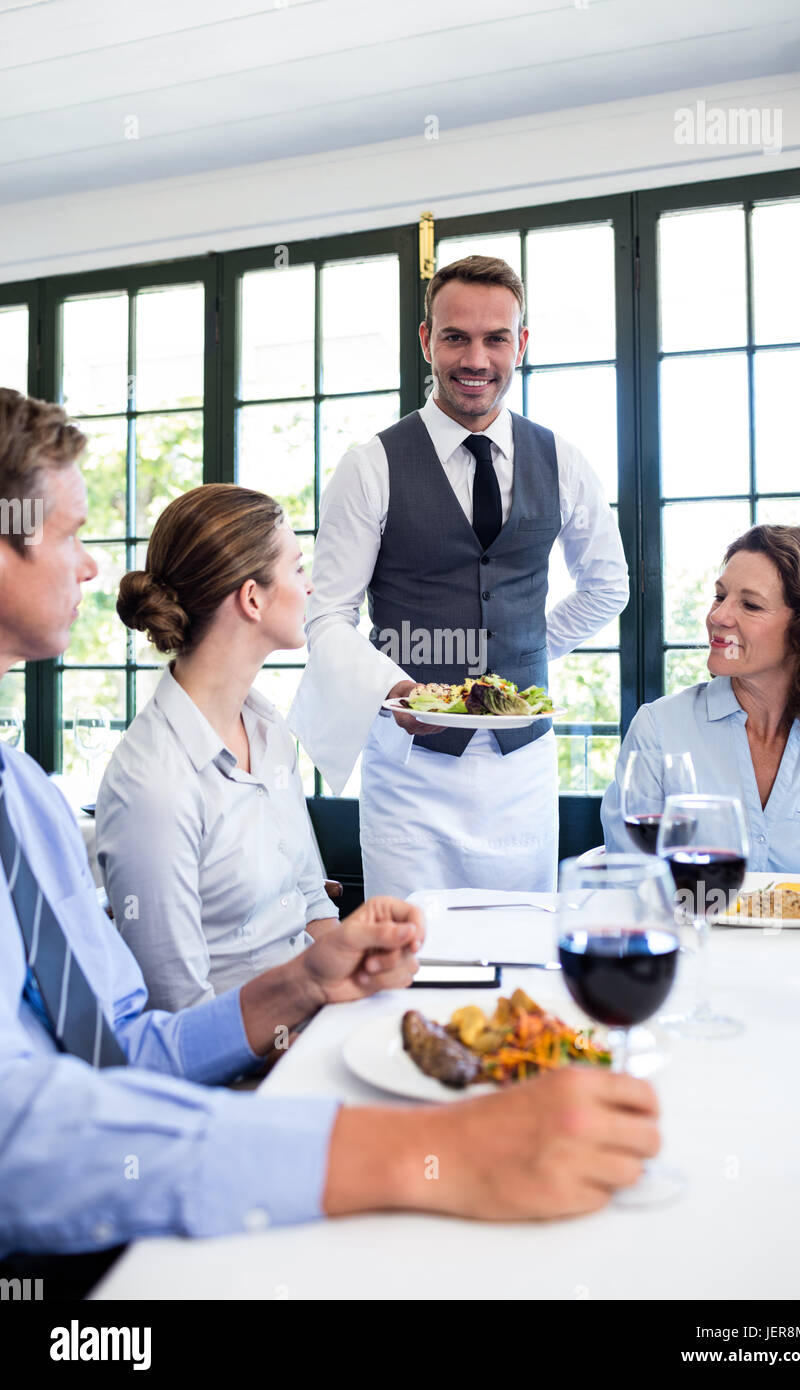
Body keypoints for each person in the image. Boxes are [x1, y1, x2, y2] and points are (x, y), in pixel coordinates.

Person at [0, 388, 660, 1297]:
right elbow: (50, 1122)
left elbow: (130, 1050)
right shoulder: (149, 784)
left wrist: (316, 979)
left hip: (251, 1075)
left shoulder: (29, 791)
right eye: (71, 533)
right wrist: (426, 1148)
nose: (87, 570)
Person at [290, 255, 629, 898]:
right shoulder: (371, 467)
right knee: (412, 960)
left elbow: (608, 586)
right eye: (455, 337)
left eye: (495, 338)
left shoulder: (563, 461)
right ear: (427, 341)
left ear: (520, 345)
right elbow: (327, 614)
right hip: (410, 768)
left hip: (521, 768)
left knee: (518, 952)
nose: (476, 358)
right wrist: (395, 686)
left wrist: (525, 650)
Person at [97, 484, 340, 1011]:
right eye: (298, 569)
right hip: (241, 1073)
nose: (311, 586)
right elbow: (178, 1018)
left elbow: (314, 905)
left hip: (316, 1022)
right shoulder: (153, 786)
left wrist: (360, 965)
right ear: (252, 598)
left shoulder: (269, 731)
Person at [601, 525, 800, 877]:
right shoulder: (660, 729)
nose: (718, 617)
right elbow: (630, 881)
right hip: (689, 931)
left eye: (751, 604)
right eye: (719, 596)